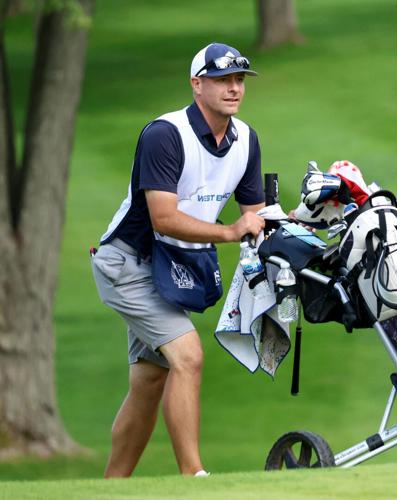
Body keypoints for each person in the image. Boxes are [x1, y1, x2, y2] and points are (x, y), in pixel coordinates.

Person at [91, 42, 266, 477]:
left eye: (239, 79)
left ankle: (112, 488)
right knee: (188, 357)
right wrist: (229, 232)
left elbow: (256, 216)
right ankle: (193, 476)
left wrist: (302, 220)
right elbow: (164, 218)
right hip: (127, 263)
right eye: (222, 79)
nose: (234, 88)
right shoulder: (165, 134)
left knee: (149, 381)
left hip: (166, 269)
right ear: (196, 84)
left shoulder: (246, 139)